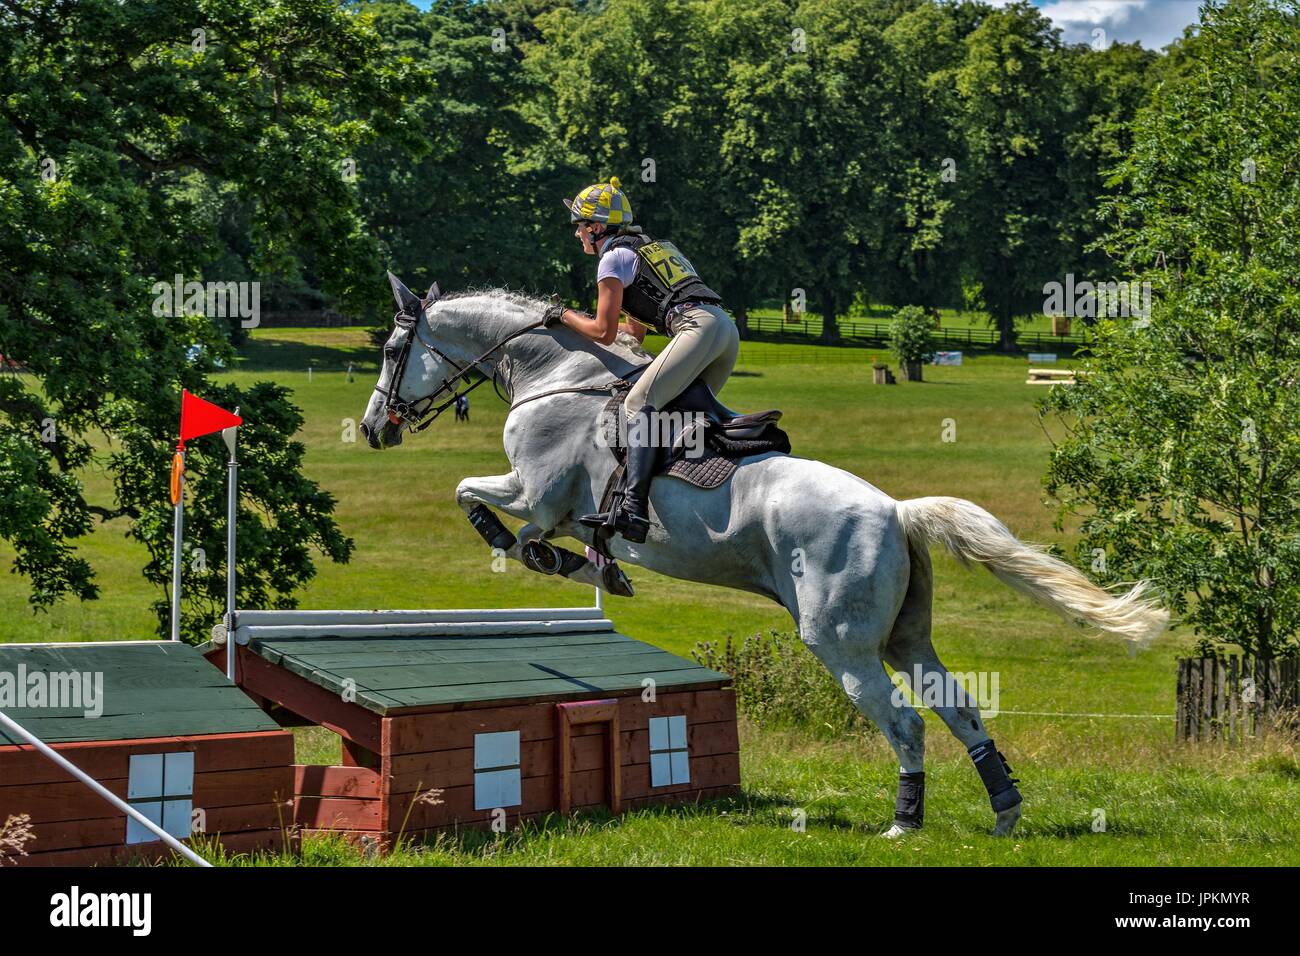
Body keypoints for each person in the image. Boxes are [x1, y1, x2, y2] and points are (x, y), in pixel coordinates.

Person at [545, 176, 739, 543]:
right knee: (678, 419)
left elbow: (603, 330)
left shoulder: (612, 258)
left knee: (637, 406)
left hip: (695, 327)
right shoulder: (651, 248)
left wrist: (564, 315)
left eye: (580, 226)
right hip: (724, 331)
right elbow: (632, 334)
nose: (577, 234)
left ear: (597, 226)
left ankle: (632, 510)